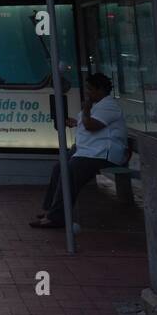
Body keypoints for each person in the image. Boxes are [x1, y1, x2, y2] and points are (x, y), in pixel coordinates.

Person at [31, 72, 128, 229]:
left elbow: (91, 125)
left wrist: (86, 110)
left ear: (101, 90)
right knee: (59, 168)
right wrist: (77, 122)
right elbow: (88, 123)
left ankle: (56, 217)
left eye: (90, 89)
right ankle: (50, 209)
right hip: (86, 149)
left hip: (101, 153)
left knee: (69, 172)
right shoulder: (99, 105)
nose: (87, 93)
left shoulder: (109, 106)